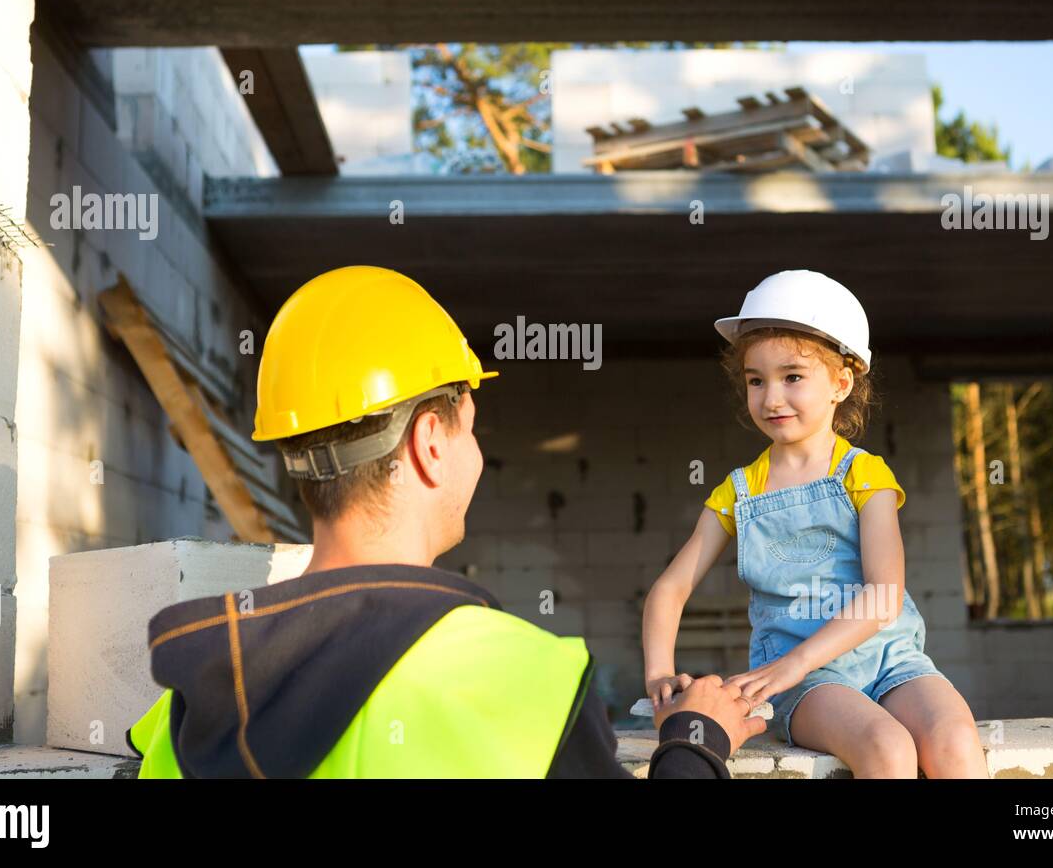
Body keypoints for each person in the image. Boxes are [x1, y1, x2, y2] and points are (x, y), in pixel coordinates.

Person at [126, 265, 766, 778]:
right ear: (430, 443)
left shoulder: (195, 696)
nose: (478, 454)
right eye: (472, 430)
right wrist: (696, 741)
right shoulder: (525, 681)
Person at [642, 269, 988, 778]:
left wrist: (795, 661)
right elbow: (670, 589)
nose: (771, 397)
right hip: (803, 684)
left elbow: (884, 595)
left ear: (841, 383)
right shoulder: (739, 492)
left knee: (956, 740)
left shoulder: (866, 476)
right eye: (756, 380)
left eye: (793, 377)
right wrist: (658, 674)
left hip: (893, 661)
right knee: (887, 746)